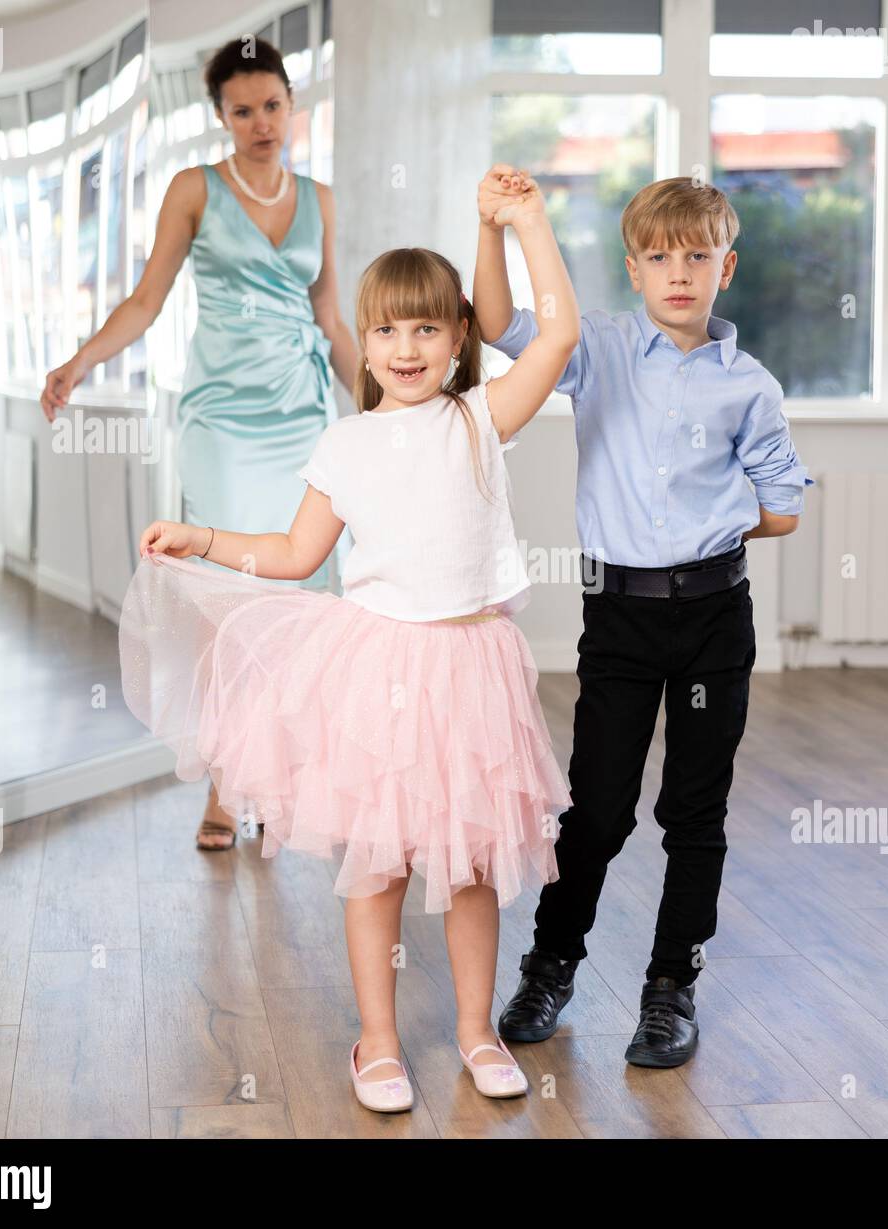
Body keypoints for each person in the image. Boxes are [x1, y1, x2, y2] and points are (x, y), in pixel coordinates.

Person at [119, 174, 580, 1112]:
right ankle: (375, 1040)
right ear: (362, 341)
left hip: (472, 670)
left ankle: (476, 1027)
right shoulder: (346, 443)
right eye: (386, 330)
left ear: (459, 341)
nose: (404, 348)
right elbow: (294, 554)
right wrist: (203, 538)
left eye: (426, 329)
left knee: (476, 865)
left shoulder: (478, 420)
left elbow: (560, 335)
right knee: (380, 863)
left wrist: (522, 221)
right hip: (381, 672)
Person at [475, 169, 814, 1068]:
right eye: (660, 257)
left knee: (693, 813)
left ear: (725, 269)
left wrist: (720, 520)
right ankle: (551, 965)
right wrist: (495, 228)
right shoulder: (599, 349)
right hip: (619, 619)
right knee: (597, 809)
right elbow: (495, 322)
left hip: (712, 618)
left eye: (696, 256)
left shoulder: (751, 387)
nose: (679, 272)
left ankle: (671, 990)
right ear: (634, 270)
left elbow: (783, 508)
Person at [40, 37, 357, 849]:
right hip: (222, 423)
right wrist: (79, 361)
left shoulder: (320, 197)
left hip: (301, 418)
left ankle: (278, 778)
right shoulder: (193, 189)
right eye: (242, 110)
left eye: (272, 105)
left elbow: (331, 322)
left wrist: (395, 413)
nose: (260, 123)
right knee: (229, 607)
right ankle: (223, 784)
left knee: (295, 604)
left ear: (292, 104)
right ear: (221, 116)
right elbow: (147, 301)